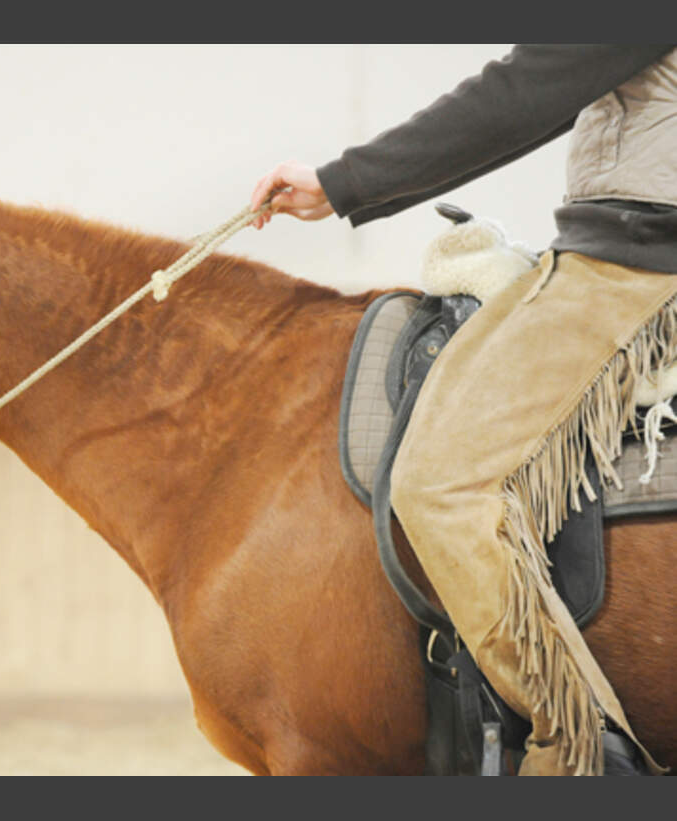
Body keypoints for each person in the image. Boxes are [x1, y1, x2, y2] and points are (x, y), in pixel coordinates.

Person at [250, 44, 677, 776]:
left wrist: (343, 181)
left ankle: (580, 750)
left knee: (439, 486)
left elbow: (531, 86)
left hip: (637, 264)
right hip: (608, 244)